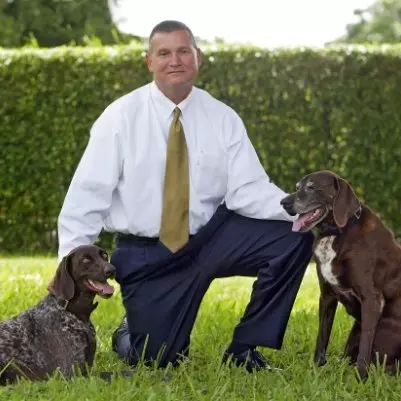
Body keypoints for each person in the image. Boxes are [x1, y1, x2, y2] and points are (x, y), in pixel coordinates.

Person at [57, 19, 314, 372]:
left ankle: (244, 349)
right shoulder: (119, 118)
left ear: (198, 57)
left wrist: (304, 211)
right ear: (149, 61)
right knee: (158, 358)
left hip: (211, 239)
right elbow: (86, 200)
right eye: (164, 53)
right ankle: (131, 331)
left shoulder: (223, 118)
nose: (174, 60)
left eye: (183, 51)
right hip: (147, 253)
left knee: (292, 238)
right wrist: (68, 274)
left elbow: (248, 190)